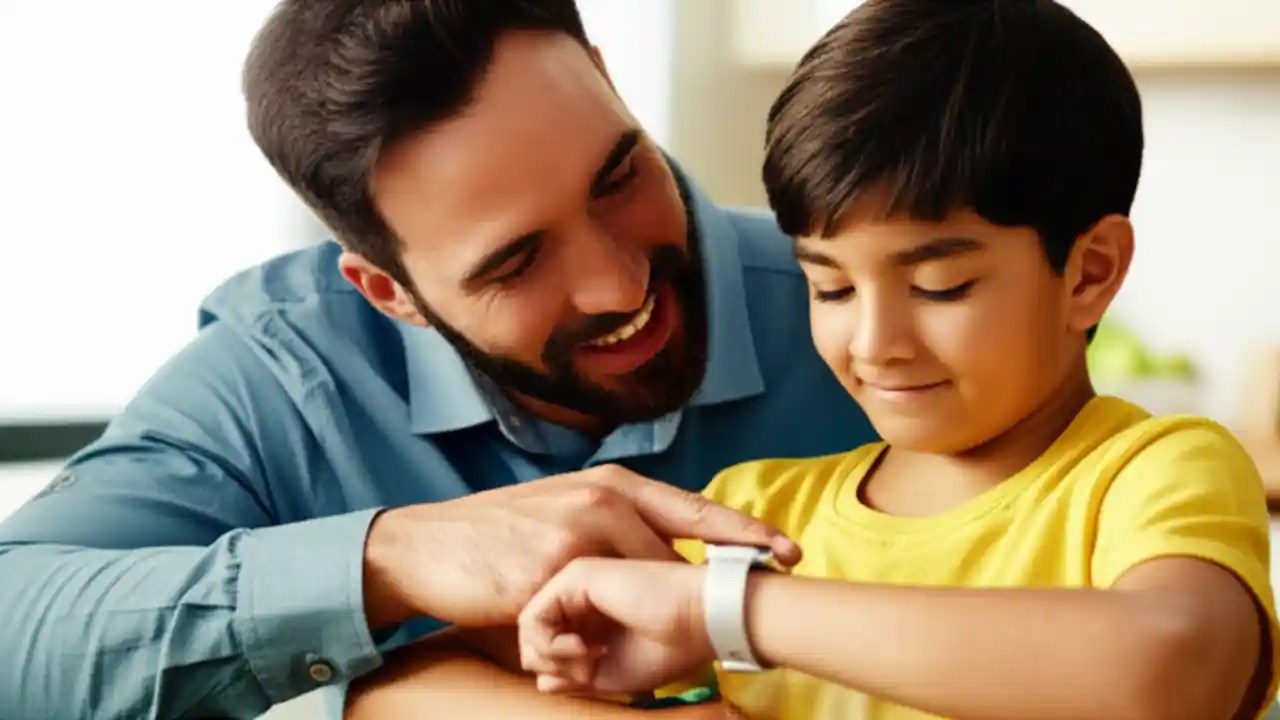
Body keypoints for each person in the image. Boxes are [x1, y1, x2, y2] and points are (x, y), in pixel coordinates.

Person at [0, 1, 877, 718]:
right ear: (391, 292)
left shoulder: (883, 307)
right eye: (517, 262)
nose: (618, 284)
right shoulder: (282, 371)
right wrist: (390, 561)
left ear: (609, 84)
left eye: (617, 179)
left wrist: (376, 693)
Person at [508, 1, 1280, 718]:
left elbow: (1174, 671)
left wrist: (731, 612)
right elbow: (420, 672)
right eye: (831, 287)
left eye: (940, 286)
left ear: (1090, 273)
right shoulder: (748, 519)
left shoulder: (1151, 473)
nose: (875, 342)